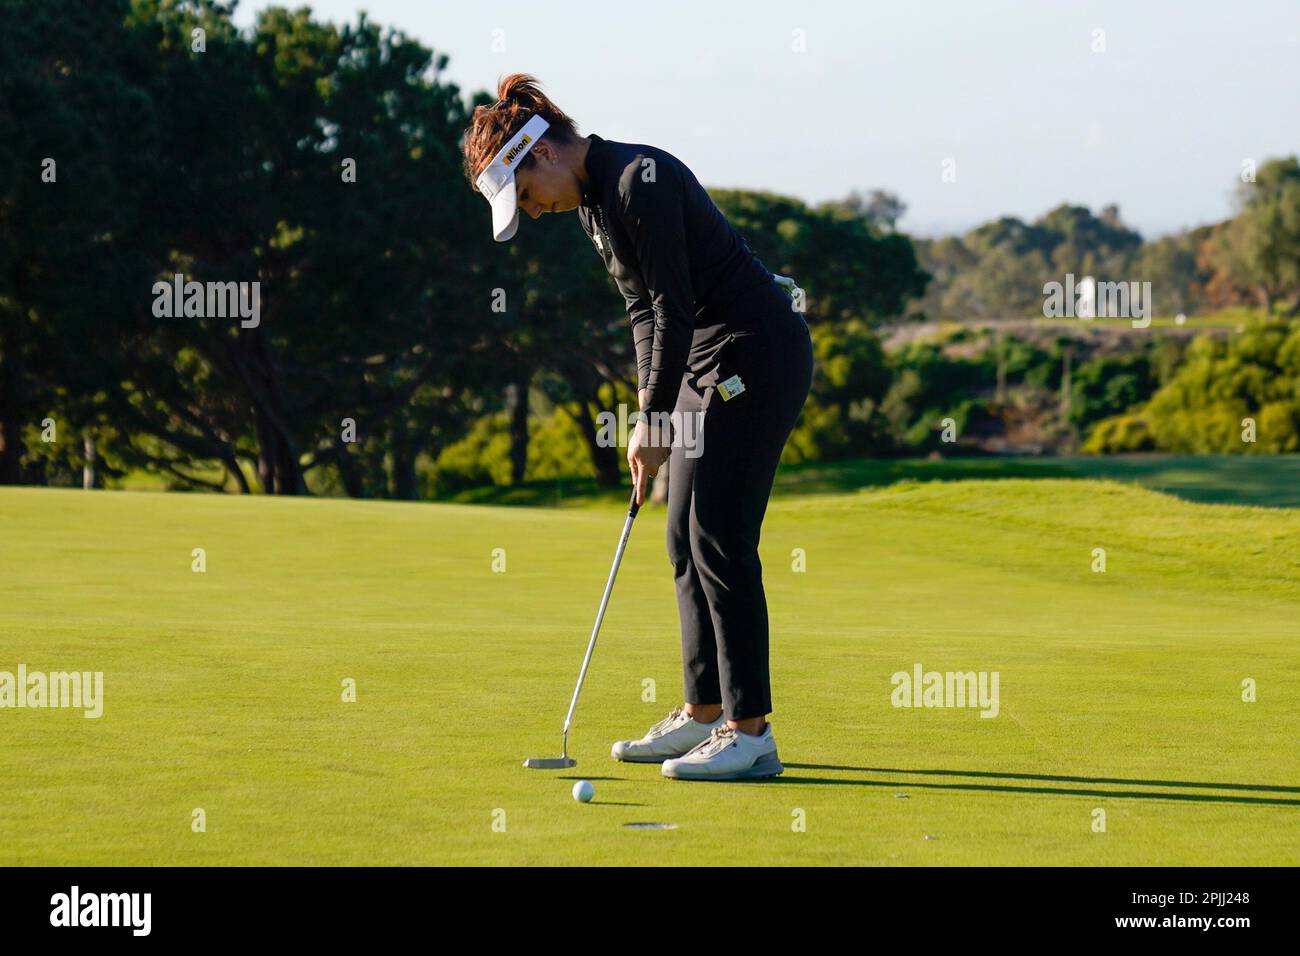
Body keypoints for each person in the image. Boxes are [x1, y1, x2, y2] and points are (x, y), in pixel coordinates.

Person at [462, 74, 813, 781]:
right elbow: (644, 314)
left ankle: (752, 733)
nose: (533, 211)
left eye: (527, 195)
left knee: (719, 534)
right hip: (706, 366)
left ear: (544, 155)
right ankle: (704, 713)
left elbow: (676, 305)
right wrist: (648, 413)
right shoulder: (595, 206)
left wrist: (655, 414)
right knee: (681, 534)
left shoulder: (637, 181)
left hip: (757, 354)